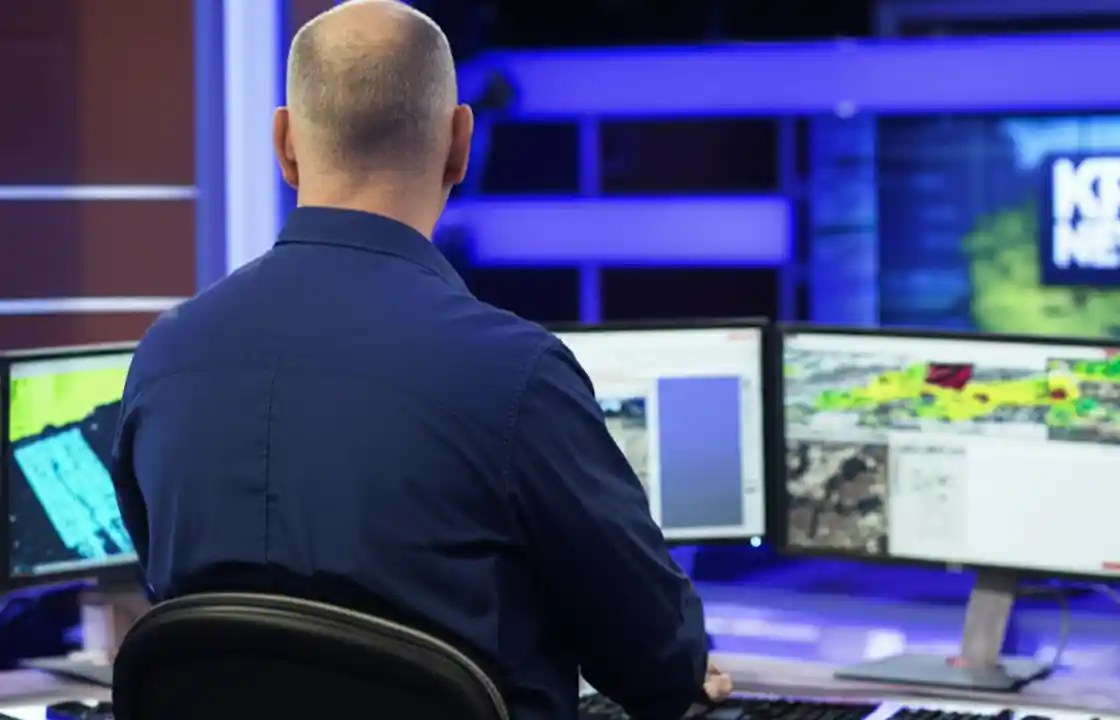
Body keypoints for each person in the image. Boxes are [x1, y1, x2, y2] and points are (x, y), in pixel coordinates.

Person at [109, 1, 730, 717]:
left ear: (284, 142)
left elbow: (179, 599)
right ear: (460, 143)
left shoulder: (165, 357)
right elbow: (657, 666)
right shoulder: (515, 376)